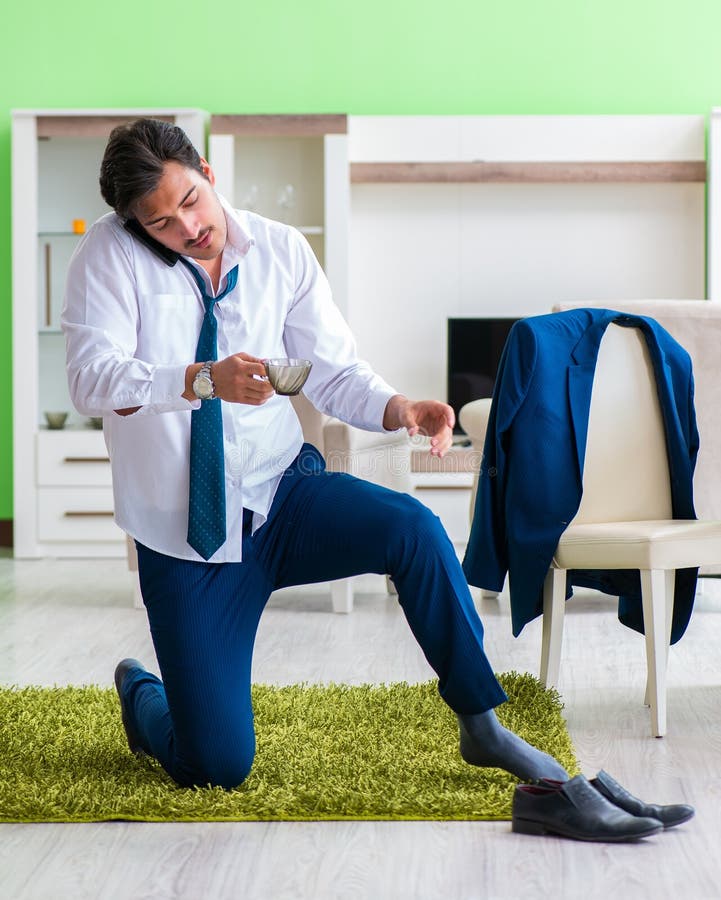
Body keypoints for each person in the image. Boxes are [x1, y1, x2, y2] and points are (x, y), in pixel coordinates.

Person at [61, 117, 569, 797]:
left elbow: (330, 372)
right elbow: (91, 378)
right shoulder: (107, 255)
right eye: (160, 224)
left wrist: (399, 408)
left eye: (189, 202)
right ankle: (144, 695)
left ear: (208, 175)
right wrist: (199, 378)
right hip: (185, 535)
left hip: (284, 492)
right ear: (134, 226)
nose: (186, 228)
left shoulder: (279, 250)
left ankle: (481, 724)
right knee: (213, 766)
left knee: (412, 529)